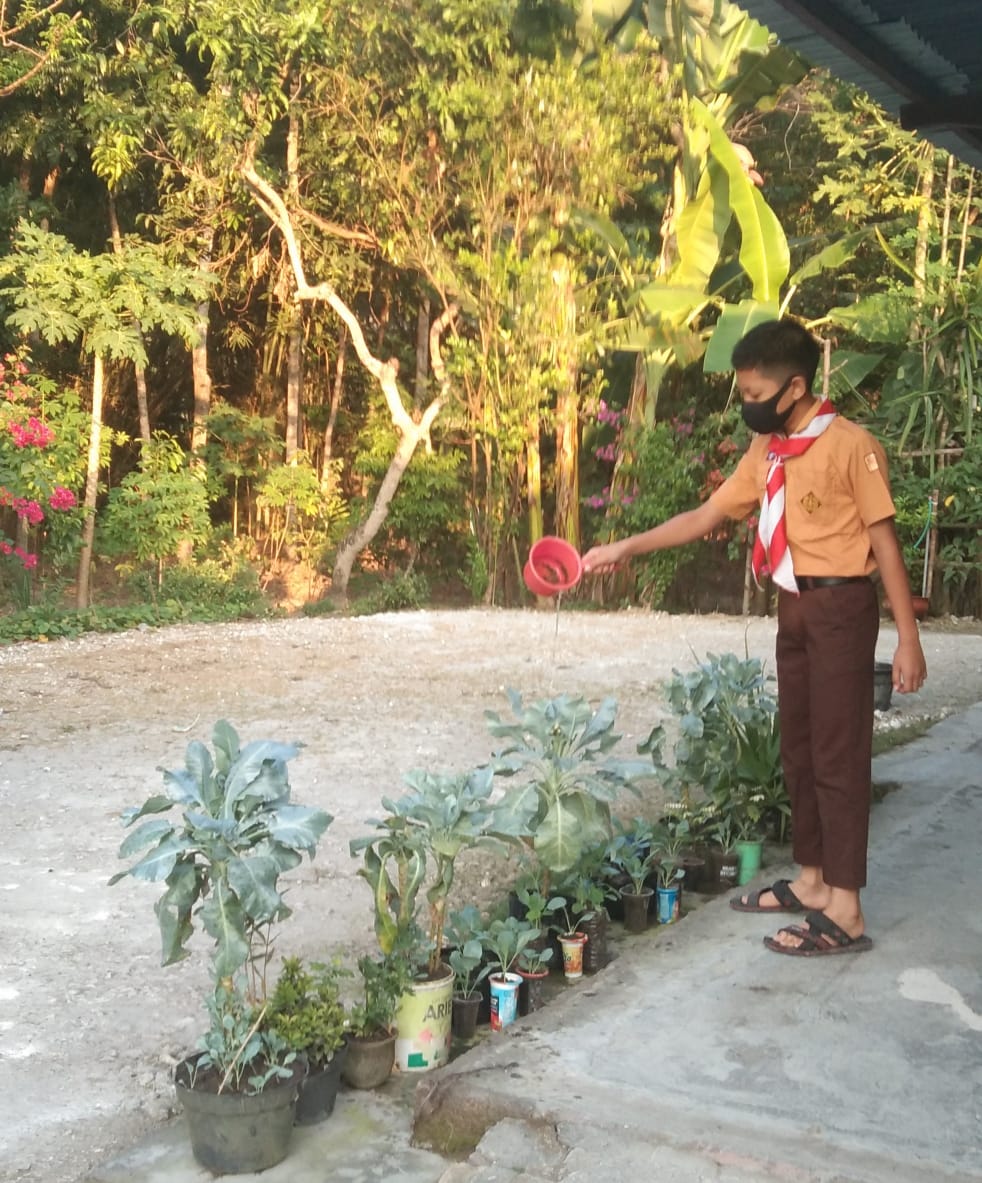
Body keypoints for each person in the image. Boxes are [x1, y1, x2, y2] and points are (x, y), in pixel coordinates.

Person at [582, 319, 927, 957]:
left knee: (838, 754)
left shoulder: (851, 446)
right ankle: (813, 879)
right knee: (800, 749)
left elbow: (885, 543)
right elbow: (707, 514)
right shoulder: (768, 449)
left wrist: (908, 639)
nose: (747, 404)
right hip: (793, 607)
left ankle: (846, 908)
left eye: (755, 394)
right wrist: (625, 547)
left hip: (841, 607)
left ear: (795, 387)